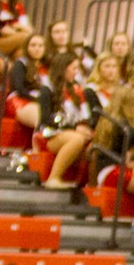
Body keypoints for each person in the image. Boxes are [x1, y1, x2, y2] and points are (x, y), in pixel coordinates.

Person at [36, 51, 92, 189]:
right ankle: (53, 178)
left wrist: (85, 127)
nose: (76, 72)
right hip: (49, 134)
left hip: (69, 131)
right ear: (63, 68)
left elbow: (84, 116)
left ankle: (85, 184)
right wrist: (73, 128)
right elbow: (46, 119)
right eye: (74, 68)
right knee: (77, 139)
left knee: (94, 145)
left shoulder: (76, 89)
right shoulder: (47, 88)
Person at [88, 86, 134, 195]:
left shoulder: (108, 121)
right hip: (113, 171)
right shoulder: (122, 127)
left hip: (106, 170)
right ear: (128, 104)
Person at [6, 30, 47, 129]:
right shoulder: (20, 63)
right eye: (33, 45)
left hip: (39, 102)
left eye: (40, 46)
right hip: (19, 100)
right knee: (41, 118)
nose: (37, 49)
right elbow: (19, 89)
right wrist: (38, 99)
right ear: (27, 47)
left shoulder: (46, 68)